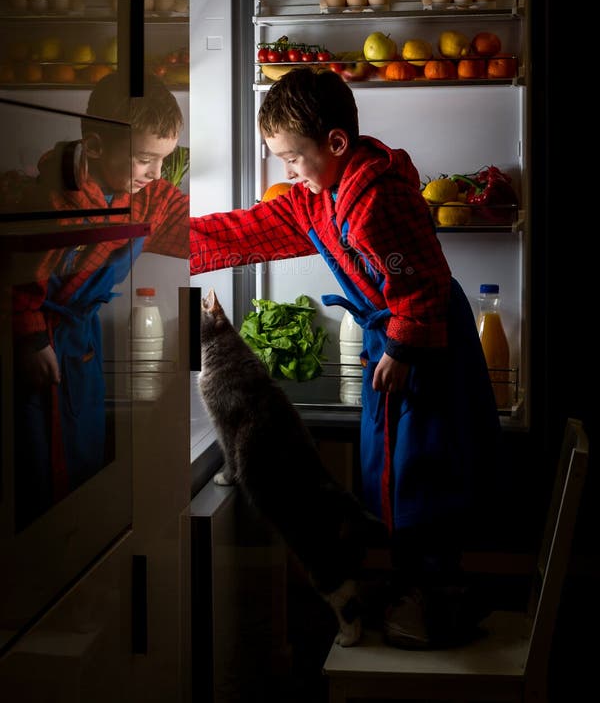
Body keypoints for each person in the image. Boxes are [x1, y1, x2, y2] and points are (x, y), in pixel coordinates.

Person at [190, 66, 502, 648]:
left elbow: (426, 279)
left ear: (335, 143)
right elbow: (251, 230)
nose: (286, 172)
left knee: (425, 465)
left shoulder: (378, 196)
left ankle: (438, 593)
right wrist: (170, 241)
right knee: (389, 464)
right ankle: (410, 582)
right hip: (393, 343)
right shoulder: (321, 198)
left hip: (428, 345)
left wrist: (403, 346)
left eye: (292, 158)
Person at [12, 71, 189, 529]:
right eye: (145, 160)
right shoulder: (55, 198)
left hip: (81, 345)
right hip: (39, 347)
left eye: (163, 161)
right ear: (93, 147)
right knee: (42, 469)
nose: (156, 174)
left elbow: (194, 227)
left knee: (84, 455)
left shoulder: (147, 197)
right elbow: (17, 276)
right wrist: (32, 340)